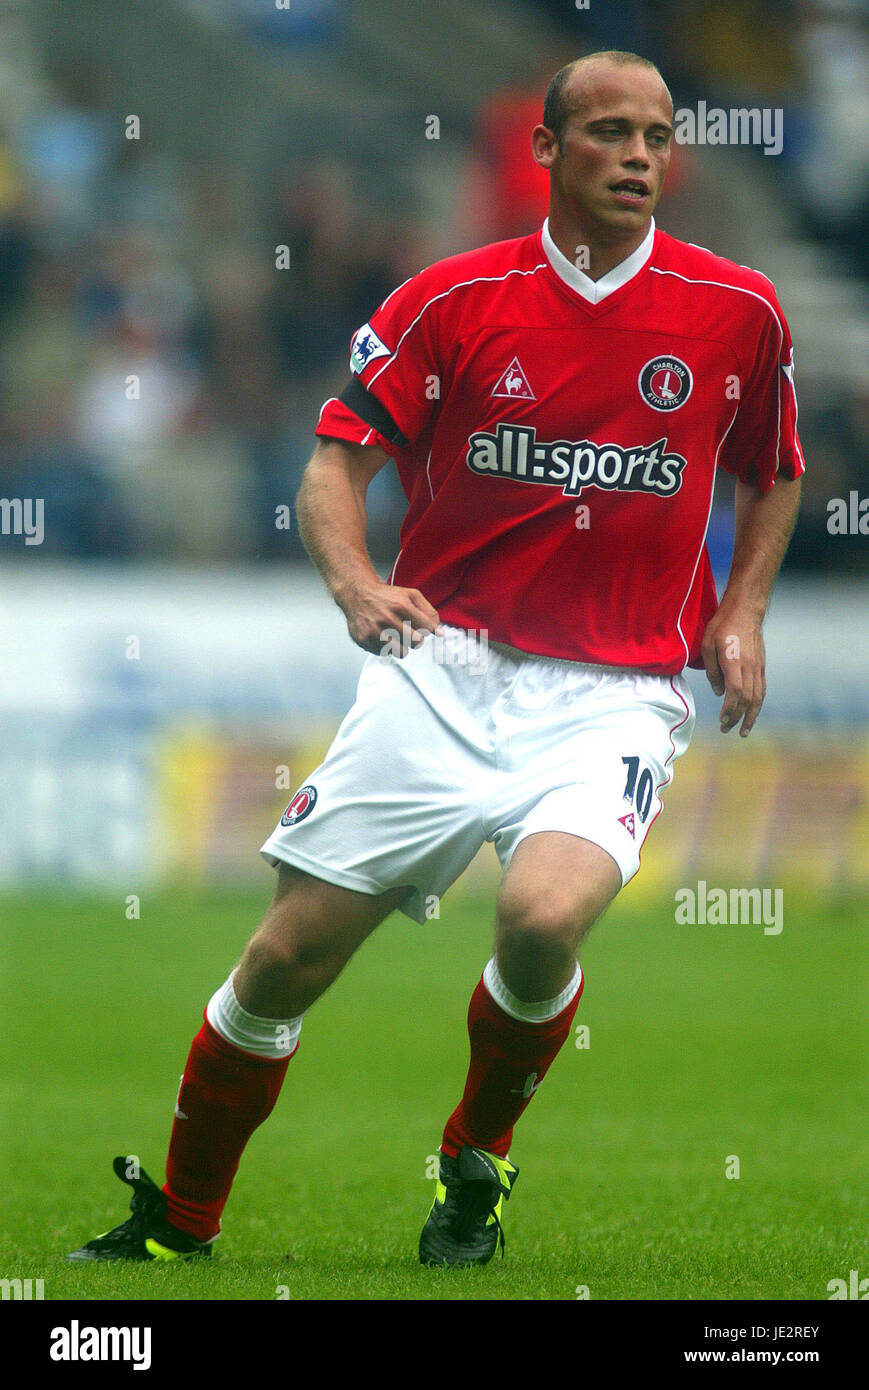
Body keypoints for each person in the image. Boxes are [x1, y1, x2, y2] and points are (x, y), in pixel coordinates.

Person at [68, 50, 804, 1269]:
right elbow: (329, 470)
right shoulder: (448, 301)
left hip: (613, 689)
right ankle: (181, 1220)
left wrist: (740, 613)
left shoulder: (737, 311)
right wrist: (357, 586)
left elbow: (772, 464)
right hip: (443, 666)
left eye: (657, 137)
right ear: (546, 149)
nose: (638, 156)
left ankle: (474, 1156)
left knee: (538, 918)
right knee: (282, 960)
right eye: (611, 132)